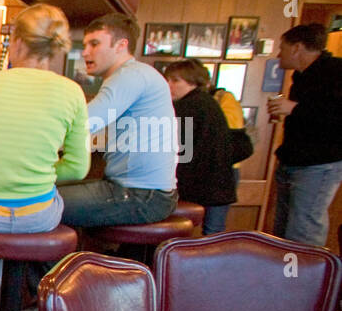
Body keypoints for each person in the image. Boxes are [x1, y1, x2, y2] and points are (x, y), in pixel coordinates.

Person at [0, 3, 89, 311]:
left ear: (18, 42)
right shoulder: (71, 92)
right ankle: (46, 298)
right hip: (38, 217)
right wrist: (40, 172)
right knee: (45, 206)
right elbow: (79, 168)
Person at [58, 13, 178, 227]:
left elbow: (83, 123)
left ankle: (56, 261)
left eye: (94, 44)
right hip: (143, 191)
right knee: (44, 195)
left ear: (121, 45)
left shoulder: (130, 75)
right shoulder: (138, 74)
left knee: (35, 203)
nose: (85, 52)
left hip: (142, 195)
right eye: (85, 45)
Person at [268, 23, 342, 246]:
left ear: (297, 48)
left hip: (319, 165)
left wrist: (294, 109)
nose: (279, 54)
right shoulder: (301, 77)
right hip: (293, 161)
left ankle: (305, 280)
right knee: (283, 231)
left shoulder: (335, 71)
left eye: (282, 47)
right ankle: (286, 277)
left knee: (303, 230)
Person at [164, 59, 239, 235]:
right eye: (167, 80)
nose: (169, 86)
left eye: (175, 81)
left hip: (202, 183)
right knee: (214, 236)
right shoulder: (208, 102)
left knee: (185, 234)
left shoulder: (186, 107)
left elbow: (178, 151)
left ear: (192, 81)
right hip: (221, 180)